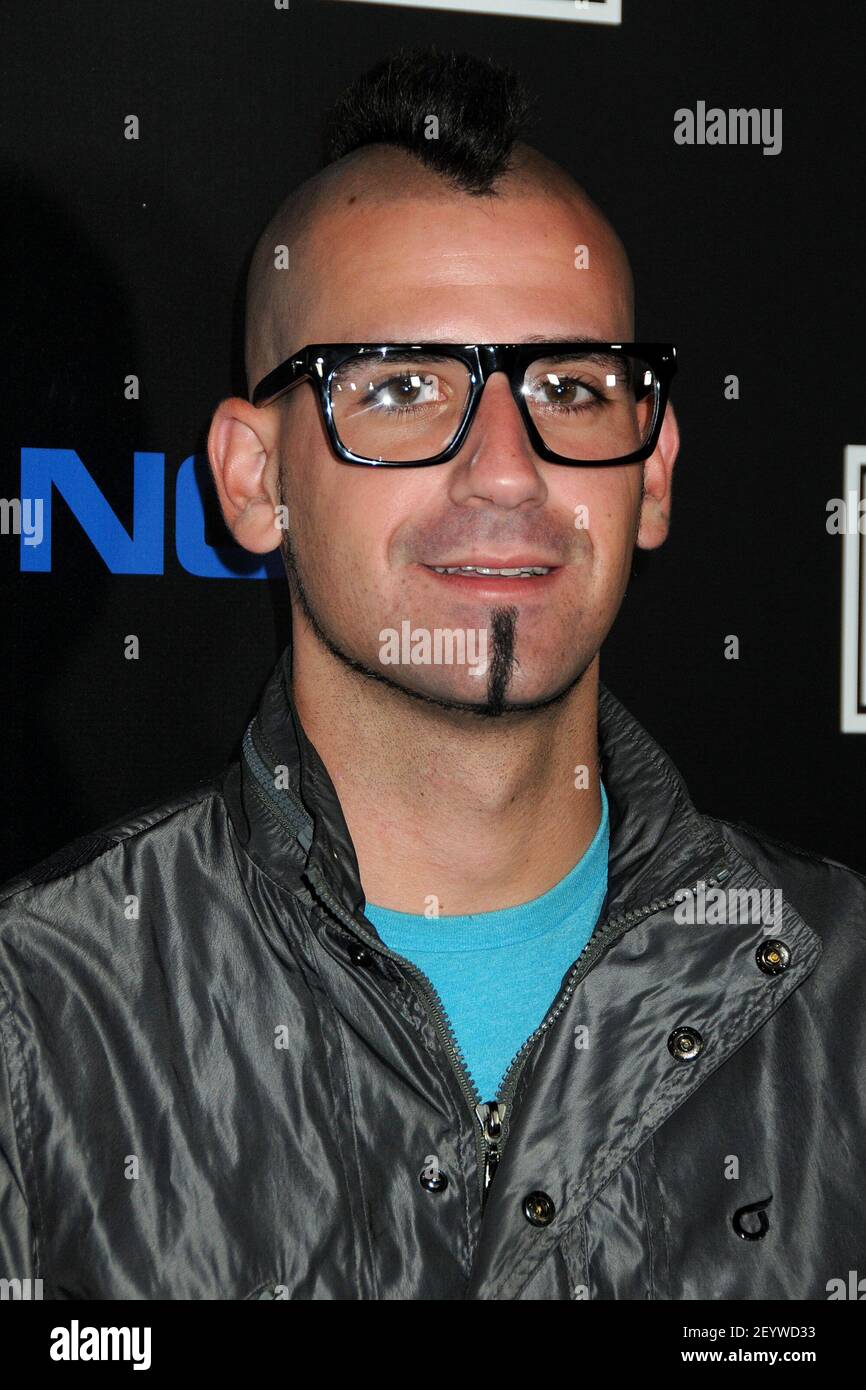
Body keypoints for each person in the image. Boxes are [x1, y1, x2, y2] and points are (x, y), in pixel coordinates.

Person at [1, 47, 863, 1302]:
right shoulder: (40, 1012)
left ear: (653, 468)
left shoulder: (837, 992)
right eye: (403, 388)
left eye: (569, 386)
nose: (506, 471)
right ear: (256, 480)